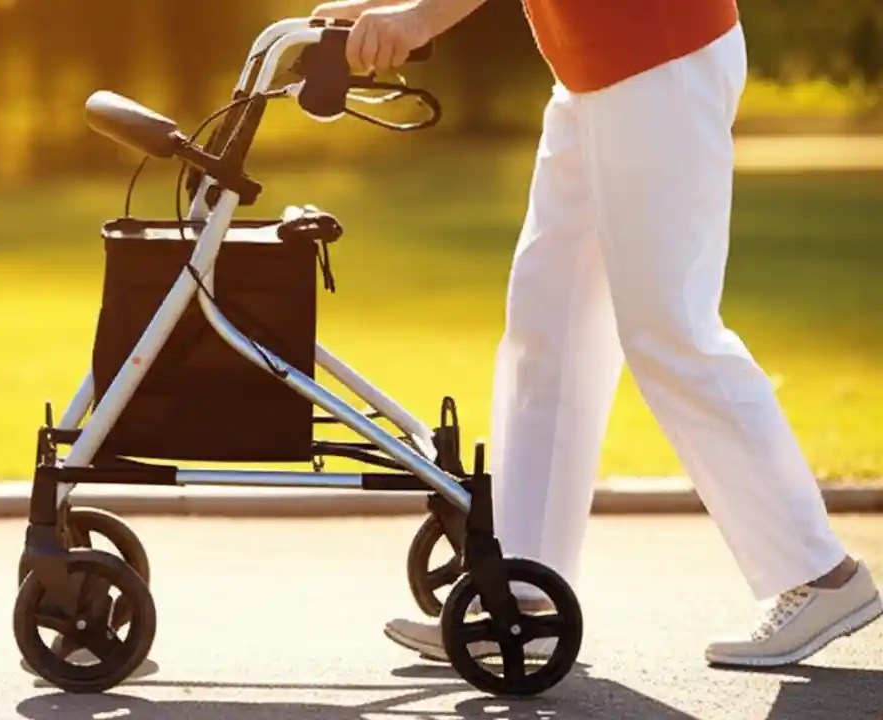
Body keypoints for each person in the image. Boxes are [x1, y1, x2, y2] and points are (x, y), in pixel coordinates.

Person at [310, 0, 882, 668]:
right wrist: (398, 8)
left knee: (670, 327)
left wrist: (417, 20)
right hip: (593, 75)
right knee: (547, 331)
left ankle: (820, 574)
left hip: (655, 60)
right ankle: (522, 593)